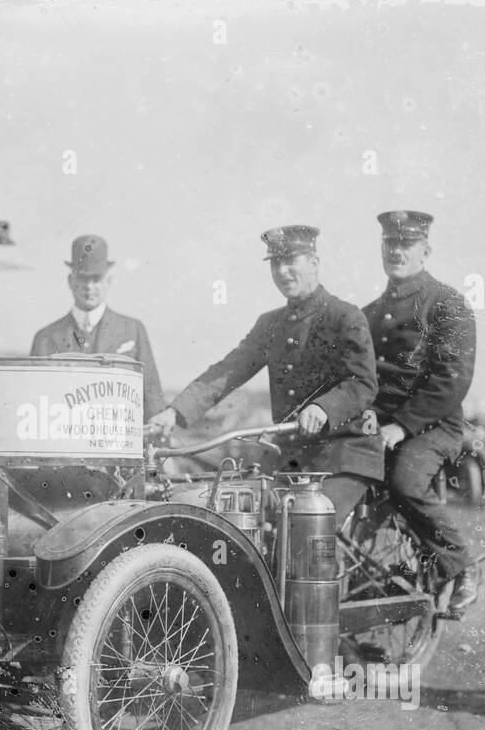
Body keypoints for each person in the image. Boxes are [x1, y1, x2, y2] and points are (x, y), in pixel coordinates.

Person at [147, 225, 383, 525]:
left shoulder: (345, 316)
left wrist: (323, 407)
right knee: (243, 514)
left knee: (307, 527)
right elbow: (230, 369)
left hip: (345, 453)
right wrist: (175, 412)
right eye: (276, 263)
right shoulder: (271, 324)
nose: (283, 271)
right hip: (292, 452)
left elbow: (362, 383)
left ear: (314, 263)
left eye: (290, 261)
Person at [363, 210, 480, 617]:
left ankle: (462, 564)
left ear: (425, 251)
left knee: (405, 482)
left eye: (405, 244)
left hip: (433, 424)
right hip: (378, 425)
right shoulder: (370, 312)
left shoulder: (447, 304)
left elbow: (452, 379)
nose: (396, 251)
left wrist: (402, 424)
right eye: (389, 244)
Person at [30, 235, 163, 419]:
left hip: (118, 442)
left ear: (108, 281)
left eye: (96, 278)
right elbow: (34, 402)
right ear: (70, 280)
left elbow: (153, 400)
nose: (89, 287)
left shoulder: (132, 330)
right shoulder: (45, 338)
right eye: (83, 278)